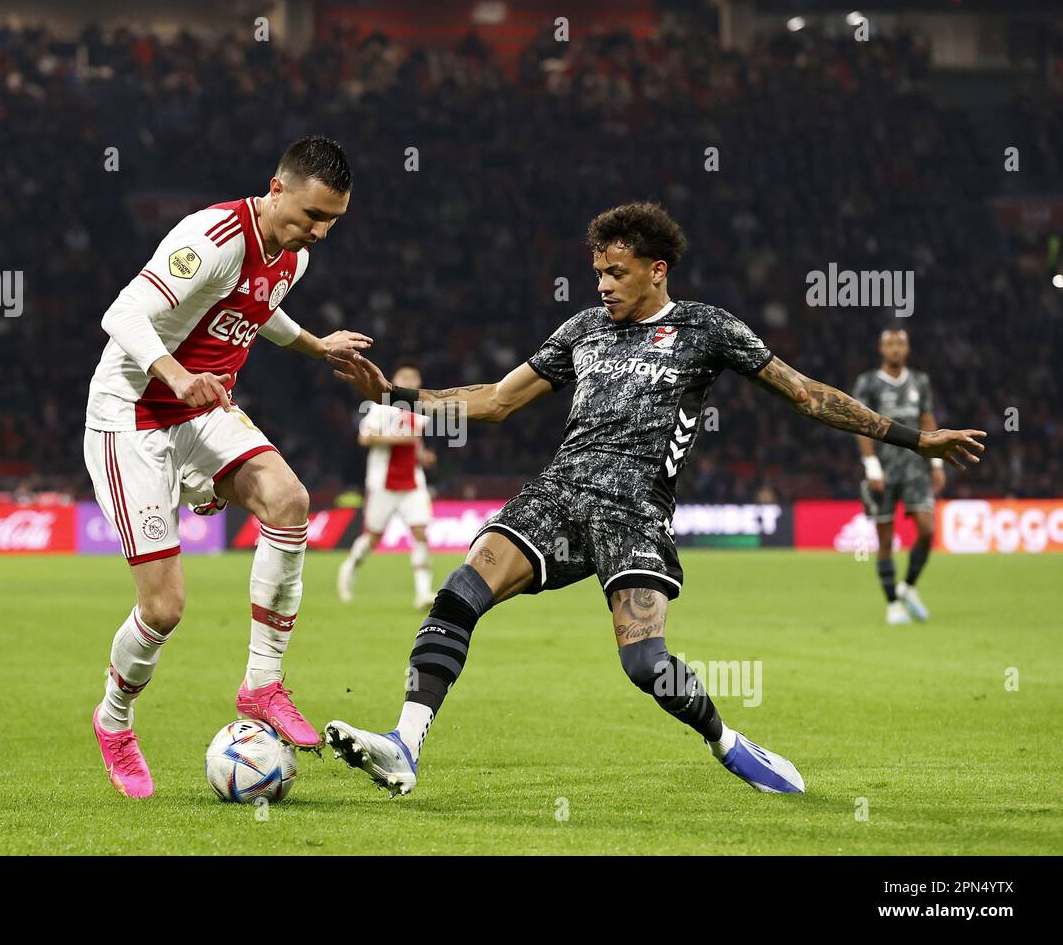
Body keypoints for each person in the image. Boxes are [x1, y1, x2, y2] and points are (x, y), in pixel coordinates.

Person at [325, 202, 985, 797]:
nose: (603, 284)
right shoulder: (582, 329)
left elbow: (807, 394)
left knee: (645, 665)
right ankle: (405, 745)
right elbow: (496, 401)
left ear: (656, 269)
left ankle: (728, 744)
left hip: (633, 508)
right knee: (458, 594)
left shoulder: (707, 330)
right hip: (558, 492)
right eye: (598, 273)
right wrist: (397, 398)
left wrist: (913, 439)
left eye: (616, 271)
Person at [83, 136, 372, 798]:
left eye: (331, 221)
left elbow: (259, 311)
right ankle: (115, 720)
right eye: (309, 216)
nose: (318, 233)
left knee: (289, 501)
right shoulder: (212, 236)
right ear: (276, 188)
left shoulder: (290, 256)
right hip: (132, 416)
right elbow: (121, 311)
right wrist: (176, 373)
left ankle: (262, 684)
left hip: (202, 408)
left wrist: (313, 345)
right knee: (164, 609)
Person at [853, 329, 942, 624]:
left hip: (916, 468)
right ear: (881, 348)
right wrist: (871, 466)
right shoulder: (867, 383)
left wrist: (938, 464)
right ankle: (892, 603)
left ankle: (908, 586)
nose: (895, 349)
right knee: (886, 539)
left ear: (907, 348)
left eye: (901, 343)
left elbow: (927, 419)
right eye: (890, 343)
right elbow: (859, 424)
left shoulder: (921, 381)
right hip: (884, 468)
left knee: (927, 531)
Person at [337, 362, 438, 609]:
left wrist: (422, 457)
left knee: (420, 533)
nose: (409, 386)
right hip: (383, 483)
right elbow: (364, 438)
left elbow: (415, 445)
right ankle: (348, 570)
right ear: (394, 383)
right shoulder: (381, 409)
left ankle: (423, 593)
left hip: (412, 483)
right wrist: (397, 439)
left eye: (413, 382)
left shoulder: (420, 411)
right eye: (404, 381)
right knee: (373, 537)